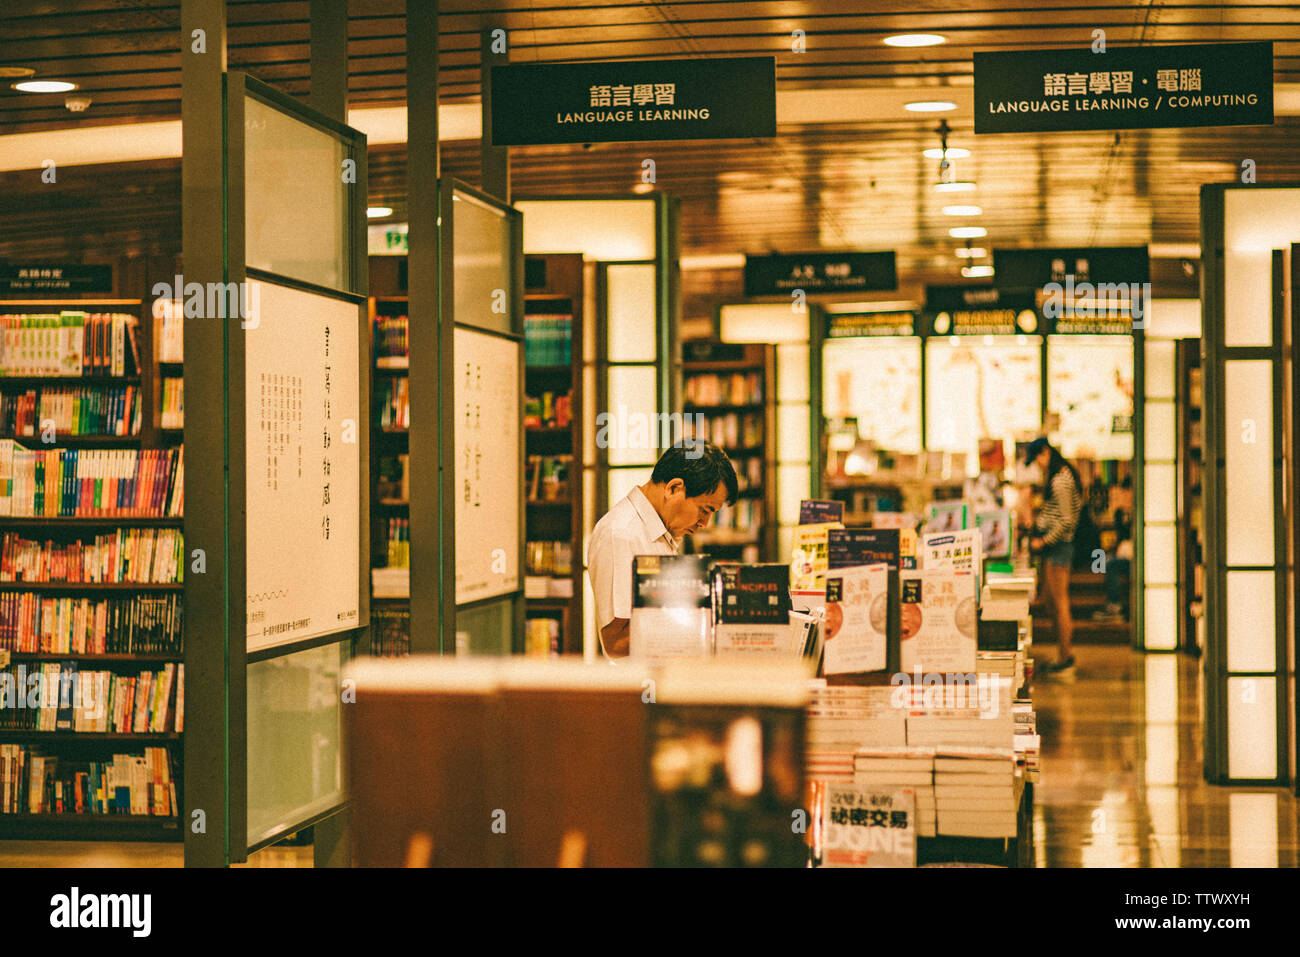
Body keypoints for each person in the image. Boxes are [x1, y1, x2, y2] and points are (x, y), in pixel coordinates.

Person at [588, 441, 738, 658]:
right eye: (704, 510)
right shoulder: (622, 533)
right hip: (640, 685)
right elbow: (615, 643)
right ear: (674, 488)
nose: (704, 523)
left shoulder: (659, 531)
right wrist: (697, 620)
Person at [1024, 437, 1083, 676]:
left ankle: (1066, 657)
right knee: (1052, 599)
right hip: (1057, 546)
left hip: (1060, 546)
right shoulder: (1063, 475)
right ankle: (1063, 654)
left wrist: (1044, 540)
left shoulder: (1060, 480)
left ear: (1046, 452)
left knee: (1059, 602)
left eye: (1038, 458)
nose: (1038, 465)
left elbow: (1067, 519)